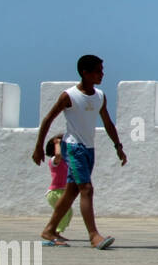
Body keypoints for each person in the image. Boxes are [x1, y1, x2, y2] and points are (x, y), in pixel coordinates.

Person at [31, 55, 126, 249]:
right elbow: (48, 119)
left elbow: (107, 123)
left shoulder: (100, 96)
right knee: (87, 189)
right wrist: (39, 146)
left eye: (102, 70)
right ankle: (94, 236)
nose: (102, 74)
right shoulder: (69, 96)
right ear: (85, 72)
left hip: (89, 148)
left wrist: (118, 146)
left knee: (72, 191)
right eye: (98, 70)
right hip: (73, 148)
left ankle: (49, 230)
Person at [44, 133, 73, 240]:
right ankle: (54, 232)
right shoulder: (54, 160)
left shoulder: (65, 162)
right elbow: (58, 155)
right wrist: (57, 142)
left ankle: (55, 231)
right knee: (64, 212)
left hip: (61, 191)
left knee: (68, 213)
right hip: (55, 192)